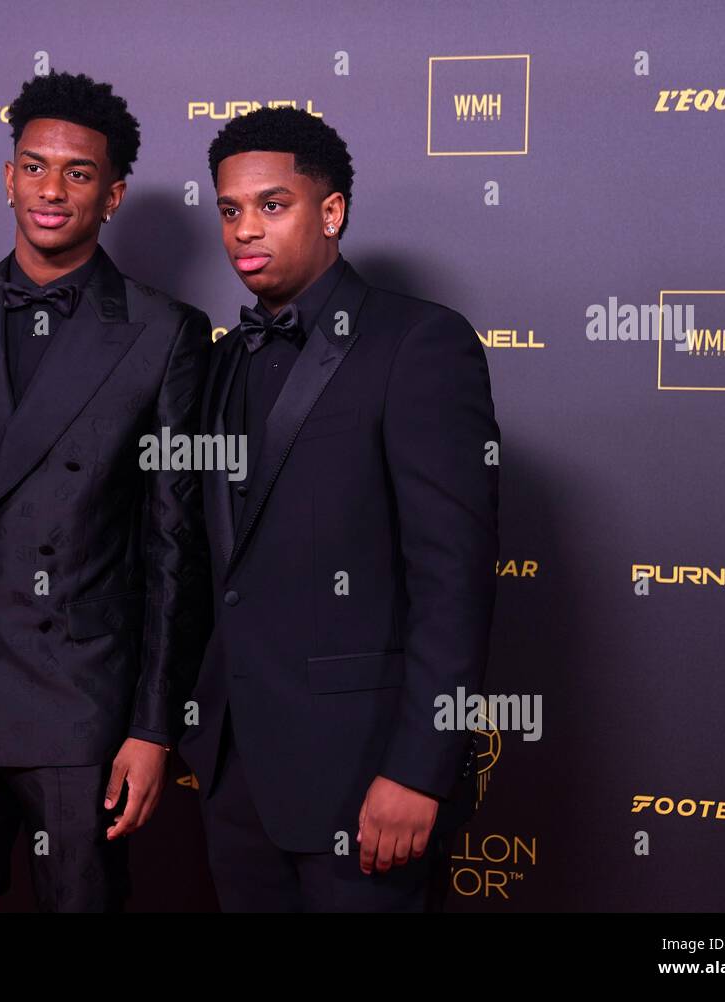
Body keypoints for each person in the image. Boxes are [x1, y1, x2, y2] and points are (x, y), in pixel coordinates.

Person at [0, 69, 212, 912]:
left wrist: (151, 723)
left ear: (114, 194)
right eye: (34, 166)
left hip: (78, 702)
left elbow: (173, 544)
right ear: (7, 176)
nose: (51, 190)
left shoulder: (163, 332)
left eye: (77, 172)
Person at [178, 106, 499, 912]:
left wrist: (418, 769)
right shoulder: (219, 365)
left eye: (272, 205)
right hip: (235, 777)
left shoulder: (419, 344)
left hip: (367, 783)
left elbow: (452, 579)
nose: (246, 230)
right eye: (229, 211)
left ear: (332, 211)